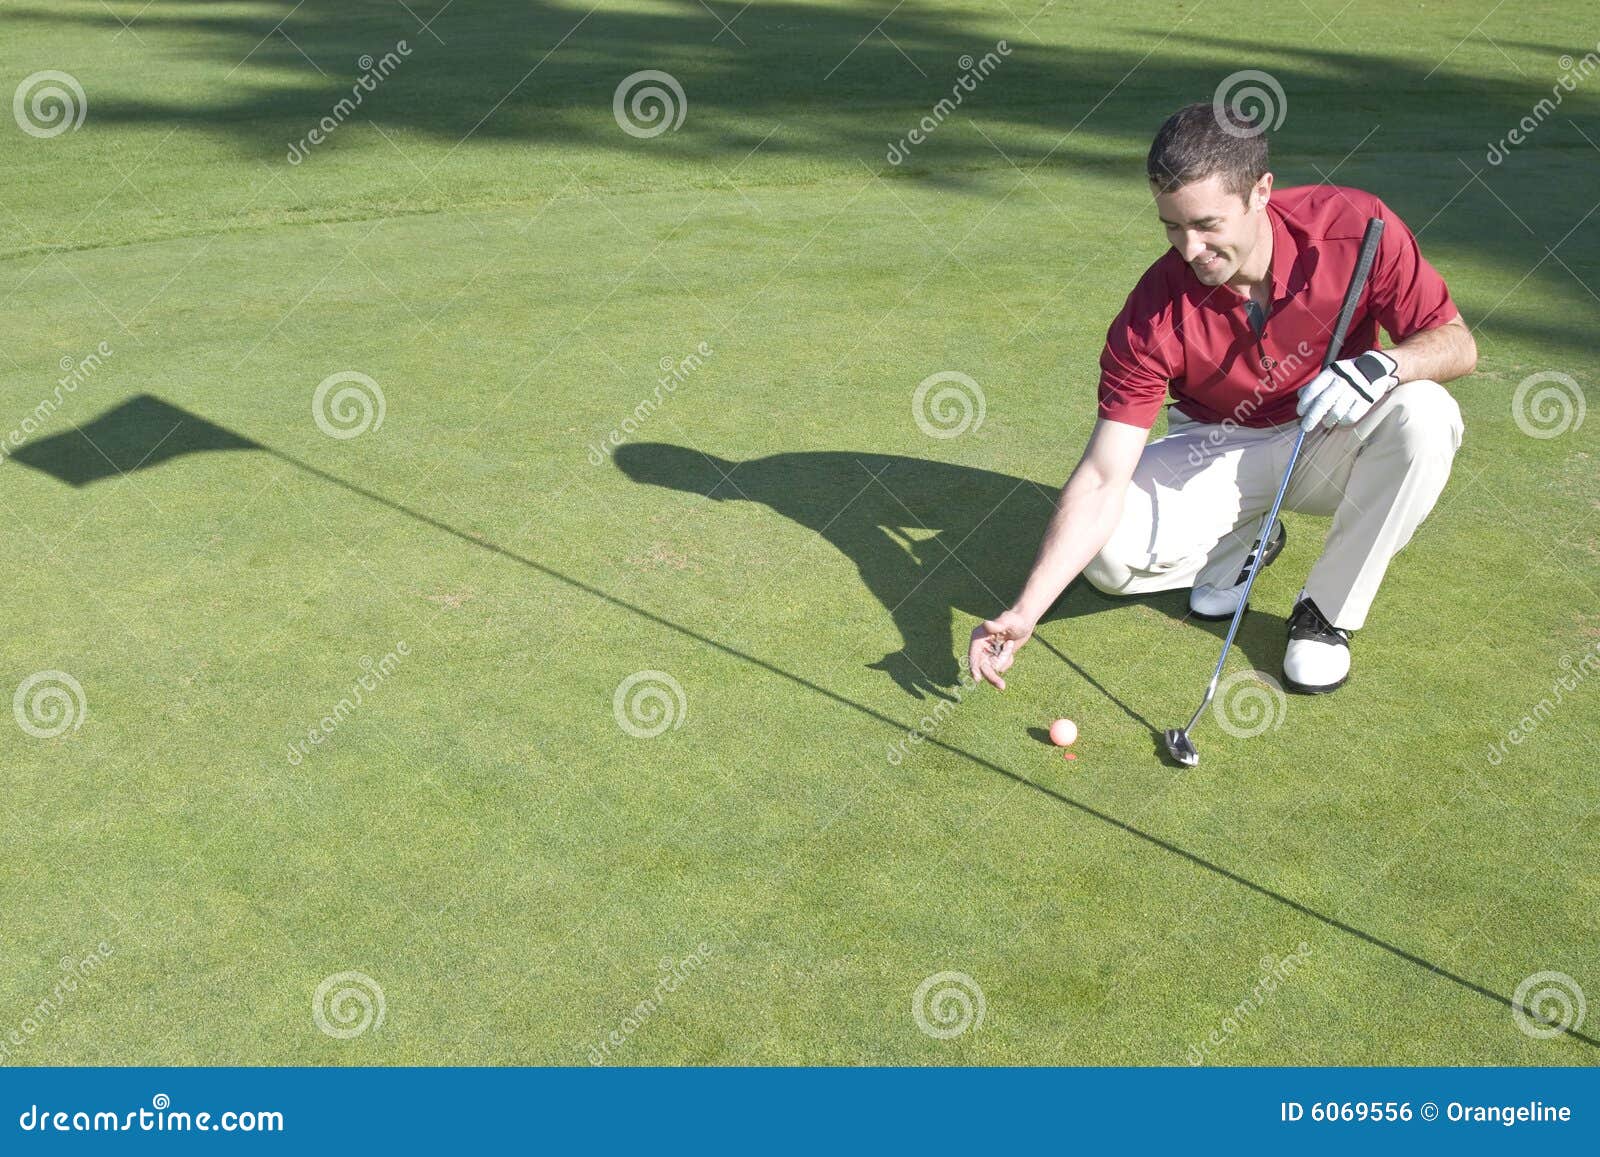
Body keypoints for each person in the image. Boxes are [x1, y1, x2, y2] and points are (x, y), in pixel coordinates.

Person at [968, 102, 1477, 695]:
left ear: (1261, 191)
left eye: (1207, 224)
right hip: (1216, 448)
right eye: (1171, 226)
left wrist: (1388, 363)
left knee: (1427, 413)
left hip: (1334, 437)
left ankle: (1326, 616)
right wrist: (1025, 611)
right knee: (1104, 562)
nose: (1189, 248)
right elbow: (1104, 476)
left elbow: (1457, 344)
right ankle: (1245, 543)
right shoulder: (1152, 310)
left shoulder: (1355, 227)